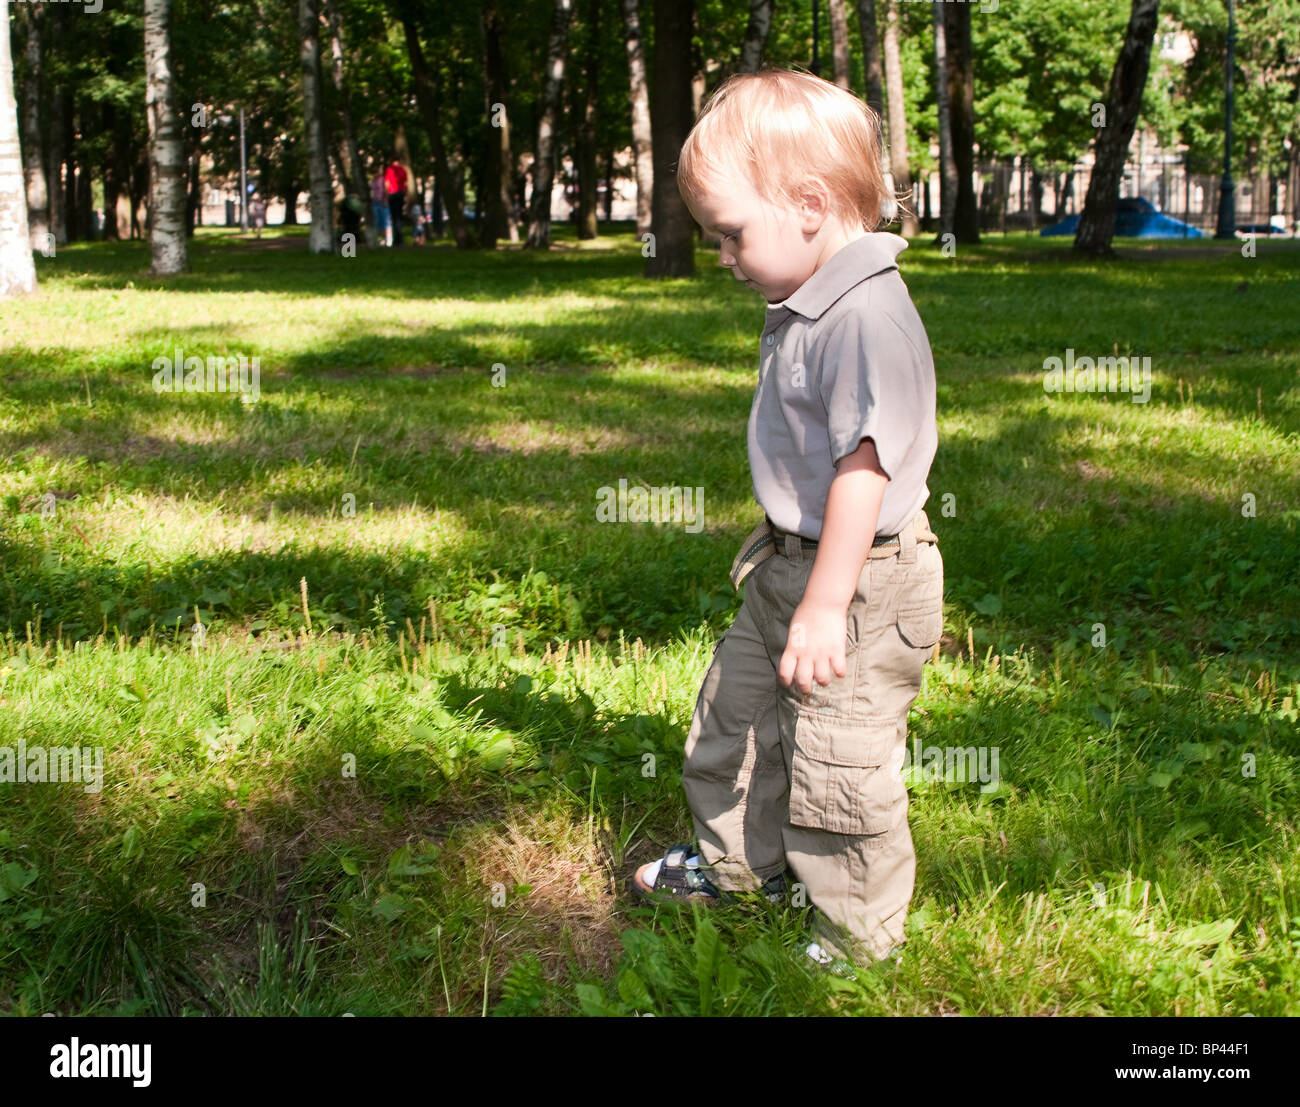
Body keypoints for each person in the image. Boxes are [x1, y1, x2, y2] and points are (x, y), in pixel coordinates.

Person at [631, 70, 943, 975]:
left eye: (732, 233)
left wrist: (823, 602)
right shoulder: (809, 299)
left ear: (809, 205)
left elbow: (865, 468)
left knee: (838, 764)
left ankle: (856, 938)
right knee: (735, 719)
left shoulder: (866, 315)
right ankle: (738, 869)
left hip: (860, 579)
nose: (724, 256)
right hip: (785, 567)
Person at [385, 156, 408, 246]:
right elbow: (405, 184)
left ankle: (397, 238)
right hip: (401, 194)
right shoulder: (403, 170)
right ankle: (399, 237)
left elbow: (387, 183)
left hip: (392, 194)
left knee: (394, 217)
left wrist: (386, 195)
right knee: (399, 216)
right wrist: (406, 195)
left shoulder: (390, 169)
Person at [370, 169, 390, 246]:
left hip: (381, 202)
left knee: (383, 221)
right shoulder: (373, 181)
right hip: (375, 202)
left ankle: (384, 239)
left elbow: (386, 190)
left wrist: (385, 200)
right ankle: (377, 239)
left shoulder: (382, 180)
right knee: (376, 221)